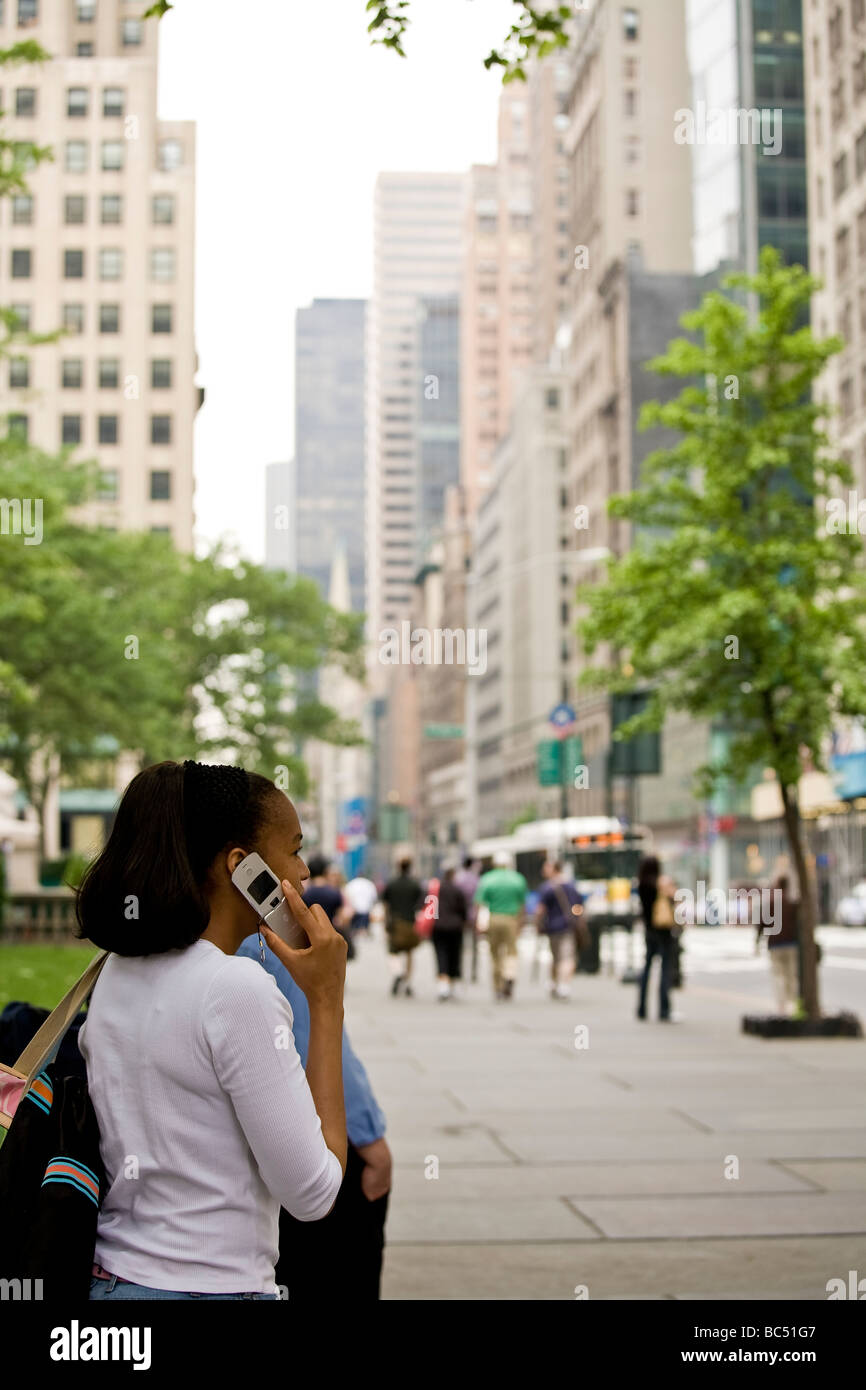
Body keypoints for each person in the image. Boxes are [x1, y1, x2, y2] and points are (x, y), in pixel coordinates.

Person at [76, 759, 347, 1300]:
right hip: (208, 1288)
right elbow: (313, 1192)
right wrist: (326, 1001)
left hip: (113, 1282)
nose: (302, 874)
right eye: (292, 850)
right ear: (241, 867)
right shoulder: (235, 988)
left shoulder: (116, 971)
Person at [236, 932, 391, 1299]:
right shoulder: (260, 943)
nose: (304, 872)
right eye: (297, 868)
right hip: (305, 1153)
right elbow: (311, 1040)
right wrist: (370, 1140)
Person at [474, 850, 529, 1001]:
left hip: (494, 918)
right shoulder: (518, 879)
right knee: (511, 951)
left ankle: (498, 986)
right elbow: (523, 904)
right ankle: (509, 975)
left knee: (495, 953)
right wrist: (521, 923)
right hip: (511, 919)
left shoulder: (487, 879)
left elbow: (479, 904)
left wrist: (478, 923)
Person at [636, 856, 678, 1022]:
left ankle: (641, 1009)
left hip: (648, 931)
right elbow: (676, 898)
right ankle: (664, 1010)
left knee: (646, 969)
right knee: (665, 970)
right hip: (663, 931)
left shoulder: (641, 884)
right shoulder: (661, 883)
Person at [535, 860, 583, 1000]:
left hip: (553, 926)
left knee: (558, 957)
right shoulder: (571, 885)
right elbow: (579, 905)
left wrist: (538, 924)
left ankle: (557, 984)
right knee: (566, 957)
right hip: (568, 925)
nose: (544, 870)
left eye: (546, 867)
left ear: (553, 869)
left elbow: (540, 910)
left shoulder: (547, 887)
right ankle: (562, 985)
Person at [382, 858, 424, 996]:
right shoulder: (414, 885)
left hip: (395, 923)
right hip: (410, 923)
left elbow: (386, 905)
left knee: (393, 952)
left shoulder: (392, 884)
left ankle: (398, 972)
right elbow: (422, 904)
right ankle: (407, 982)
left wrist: (386, 923)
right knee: (409, 953)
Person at [762, 873, 800, 1016]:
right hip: (791, 943)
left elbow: (762, 923)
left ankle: (781, 1006)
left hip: (775, 944)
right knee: (792, 975)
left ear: (777, 885)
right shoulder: (793, 903)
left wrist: (757, 940)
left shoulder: (772, 903)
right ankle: (793, 1004)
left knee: (778, 975)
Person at [306, 855, 355, 960]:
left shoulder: (304, 893)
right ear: (325, 871)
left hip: (309, 940)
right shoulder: (334, 892)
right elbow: (341, 919)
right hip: (330, 938)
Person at [432, 865, 467, 1000]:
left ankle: (443, 984)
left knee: (440, 954)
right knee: (455, 954)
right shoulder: (457, 890)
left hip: (438, 926)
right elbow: (463, 910)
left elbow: (426, 905)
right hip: (455, 927)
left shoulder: (435, 889)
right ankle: (452, 982)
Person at [455, 856, 481, 982]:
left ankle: (460, 970)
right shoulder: (476, 879)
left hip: (460, 916)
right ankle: (474, 972)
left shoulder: (458, 879)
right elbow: (479, 899)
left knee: (460, 946)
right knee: (475, 946)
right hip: (474, 915)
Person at [344, 871, 378, 936]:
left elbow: (346, 896)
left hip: (354, 910)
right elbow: (374, 898)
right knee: (363, 929)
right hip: (366, 910)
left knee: (355, 930)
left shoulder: (352, 883)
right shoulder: (369, 884)